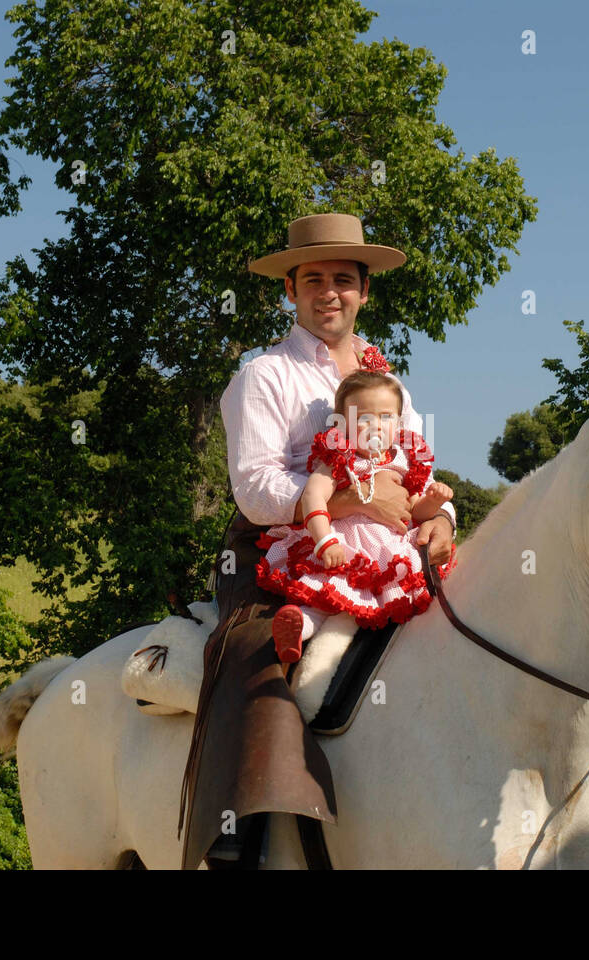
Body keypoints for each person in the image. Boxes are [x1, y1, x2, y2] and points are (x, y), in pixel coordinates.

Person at [177, 213, 455, 870]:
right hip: (278, 554)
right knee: (258, 656)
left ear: (363, 290)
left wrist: (439, 520)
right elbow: (254, 488)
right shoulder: (263, 376)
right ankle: (235, 840)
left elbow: (418, 468)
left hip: (387, 550)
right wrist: (350, 498)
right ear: (290, 292)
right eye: (314, 281)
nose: (329, 292)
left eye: (342, 280)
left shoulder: (390, 383)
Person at [257, 368, 457, 667]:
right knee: (324, 595)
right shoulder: (339, 457)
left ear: (399, 422)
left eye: (386, 417)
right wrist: (324, 540)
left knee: (417, 600)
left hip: (391, 547)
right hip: (344, 544)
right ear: (342, 423)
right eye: (364, 417)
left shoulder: (403, 460)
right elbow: (313, 496)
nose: (376, 426)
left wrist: (434, 501)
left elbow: (414, 511)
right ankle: (297, 626)